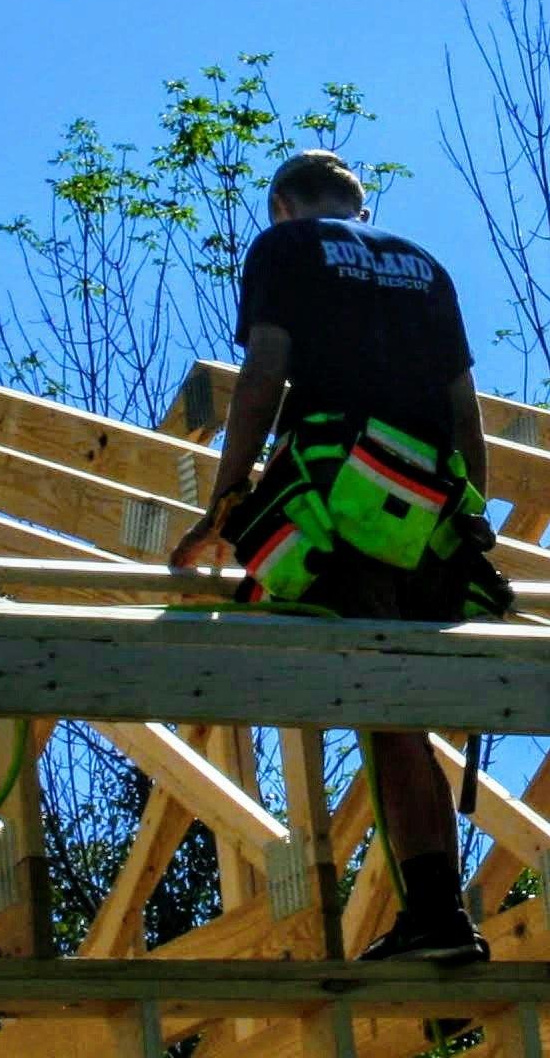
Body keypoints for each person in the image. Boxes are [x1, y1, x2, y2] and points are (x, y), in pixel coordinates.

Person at [168, 152, 505, 963]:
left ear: (285, 203)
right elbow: (466, 411)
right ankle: (436, 912)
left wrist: (226, 500)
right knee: (404, 708)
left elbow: (264, 375)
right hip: (425, 505)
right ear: (361, 206)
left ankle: (434, 916)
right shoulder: (424, 265)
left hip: (342, 496)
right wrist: (474, 520)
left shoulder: (284, 247)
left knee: (381, 698)